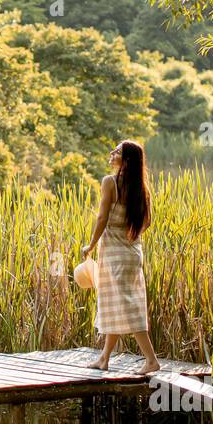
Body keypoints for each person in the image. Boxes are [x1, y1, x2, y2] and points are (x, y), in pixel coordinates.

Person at [80, 139, 161, 373]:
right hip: (133, 251)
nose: (111, 153)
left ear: (125, 161)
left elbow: (101, 218)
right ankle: (104, 358)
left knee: (128, 306)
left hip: (114, 253)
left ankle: (151, 360)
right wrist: (129, 236)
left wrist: (91, 245)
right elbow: (147, 222)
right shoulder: (142, 188)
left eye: (116, 152)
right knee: (116, 303)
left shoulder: (110, 183)